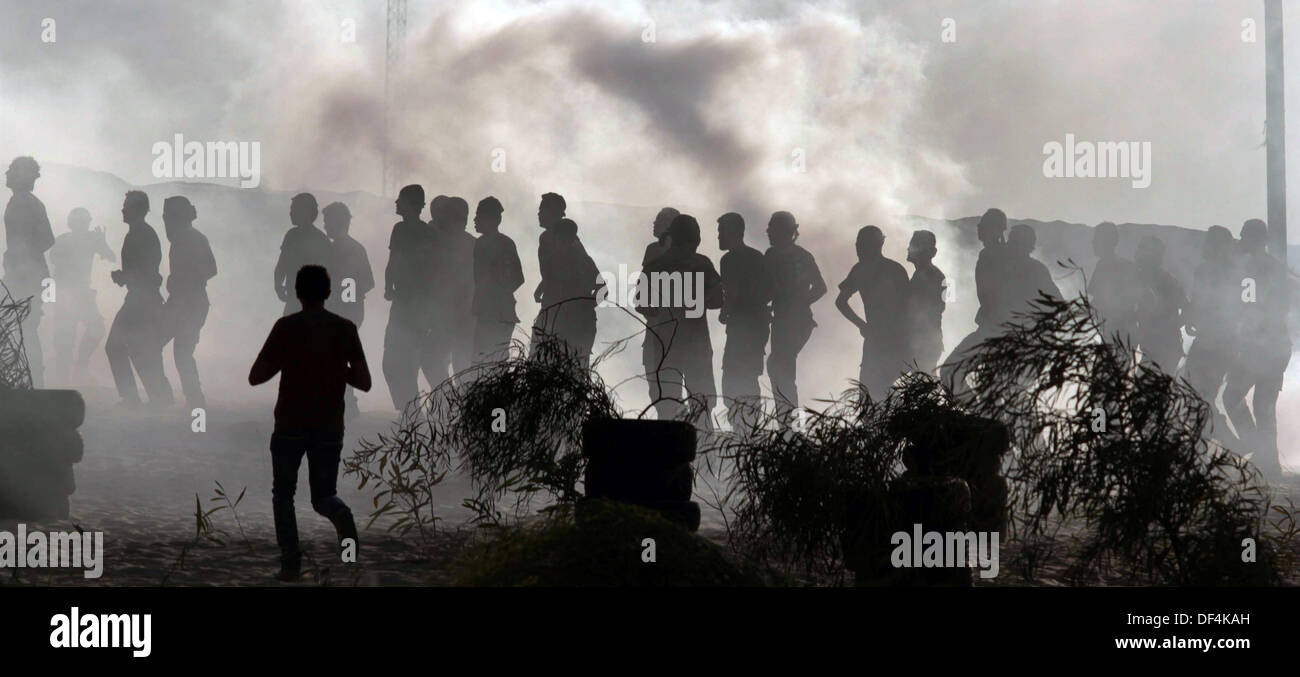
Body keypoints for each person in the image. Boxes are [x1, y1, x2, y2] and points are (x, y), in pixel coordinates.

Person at [249, 264, 368, 582]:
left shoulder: (286, 327)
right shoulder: (345, 329)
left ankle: (290, 564)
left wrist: (290, 360)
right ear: (328, 293)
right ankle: (341, 519)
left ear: (296, 292)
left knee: (283, 494)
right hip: (329, 423)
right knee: (324, 495)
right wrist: (334, 369)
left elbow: (256, 376)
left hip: (290, 421)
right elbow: (364, 381)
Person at [637, 214, 722, 428]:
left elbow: (642, 304)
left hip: (666, 344)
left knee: (667, 404)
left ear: (673, 237)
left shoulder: (655, 266)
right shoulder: (702, 264)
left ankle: (669, 455)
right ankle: (704, 455)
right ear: (695, 239)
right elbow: (717, 300)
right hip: (697, 344)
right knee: (702, 405)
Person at [1222, 219, 1291, 477]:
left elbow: (1249, 307)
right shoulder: (1271, 268)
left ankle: (1262, 454)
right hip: (1273, 346)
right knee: (1263, 405)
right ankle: (1267, 461)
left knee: (1237, 397)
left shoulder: (1251, 270)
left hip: (1263, 347)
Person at [105, 191, 174, 407]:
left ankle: (136, 398)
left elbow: (145, 272)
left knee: (120, 346)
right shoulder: (141, 233)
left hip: (140, 300)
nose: (123, 210)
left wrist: (123, 276)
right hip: (142, 298)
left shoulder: (140, 234)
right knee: (139, 348)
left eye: (126, 206)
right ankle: (157, 396)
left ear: (136, 209)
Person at [764, 211, 826, 420]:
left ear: (784, 232)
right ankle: (789, 427)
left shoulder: (800, 256)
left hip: (796, 322)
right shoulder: (773, 255)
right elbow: (769, 289)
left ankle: (793, 429)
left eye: (772, 228)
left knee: (782, 372)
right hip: (784, 321)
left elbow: (820, 288)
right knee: (778, 370)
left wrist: (797, 304)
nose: (768, 232)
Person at [835, 226, 909, 399]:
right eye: (858, 244)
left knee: (883, 392)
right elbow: (840, 302)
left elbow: (910, 307)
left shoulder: (893, 270)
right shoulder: (860, 270)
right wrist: (862, 325)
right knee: (870, 395)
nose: (858, 249)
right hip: (876, 340)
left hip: (895, 340)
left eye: (862, 244)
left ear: (877, 245)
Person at [940, 208, 1008, 393]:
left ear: (995, 229)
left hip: (995, 330)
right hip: (992, 328)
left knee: (949, 372)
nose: (979, 229)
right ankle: (984, 415)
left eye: (983, 225)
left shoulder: (999, 256)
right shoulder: (990, 255)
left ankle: (980, 413)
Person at [381, 184, 435, 411]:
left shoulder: (419, 232)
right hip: (405, 302)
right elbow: (394, 261)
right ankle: (409, 409)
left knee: (404, 360)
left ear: (412, 204)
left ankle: (410, 411)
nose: (396, 203)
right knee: (395, 361)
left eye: (400, 199)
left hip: (414, 304)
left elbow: (429, 269)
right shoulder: (402, 229)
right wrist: (388, 285)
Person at [48, 207, 116, 384]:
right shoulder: (64, 240)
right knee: (66, 338)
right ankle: (64, 379)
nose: (84, 225)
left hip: (79, 293)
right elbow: (55, 262)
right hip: (66, 293)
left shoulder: (90, 239)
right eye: (81, 222)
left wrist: (102, 242)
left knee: (94, 329)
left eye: (85, 222)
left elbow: (111, 256)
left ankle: (78, 369)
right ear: (73, 223)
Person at [161, 196, 217, 410]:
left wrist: (185, 281)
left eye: (168, 217)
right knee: (181, 351)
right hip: (185, 302)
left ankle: (177, 399)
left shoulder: (192, 238)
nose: (165, 222)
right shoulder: (185, 239)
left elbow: (210, 269)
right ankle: (193, 401)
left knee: (170, 348)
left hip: (189, 303)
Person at [3, 156, 55, 386]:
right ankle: (29, 383)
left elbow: (47, 239)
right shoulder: (19, 201)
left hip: (27, 277)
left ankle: (34, 384)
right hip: (21, 275)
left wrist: (22, 258)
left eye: (12, 170)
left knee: (25, 329)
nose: (7, 173)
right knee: (20, 329)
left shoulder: (27, 203)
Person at [1184, 225, 1238, 438]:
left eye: (1211, 242)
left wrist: (1192, 317)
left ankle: (1231, 445)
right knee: (1199, 394)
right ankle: (1218, 444)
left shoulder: (1210, 270)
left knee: (1198, 394)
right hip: (1216, 340)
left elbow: (1202, 300)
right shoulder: (1229, 271)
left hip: (1214, 340)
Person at [717, 212, 770, 430]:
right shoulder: (730, 259)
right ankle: (742, 426)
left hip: (751, 326)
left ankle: (746, 427)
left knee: (743, 375)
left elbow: (763, 290)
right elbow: (729, 292)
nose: (719, 237)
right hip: (742, 326)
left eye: (721, 232)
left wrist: (734, 305)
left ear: (735, 232)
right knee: (736, 375)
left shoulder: (748, 259)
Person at [322, 201, 372, 417]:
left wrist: (344, 301)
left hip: (343, 313)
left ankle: (347, 406)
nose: (325, 226)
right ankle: (347, 404)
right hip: (348, 312)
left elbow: (356, 282)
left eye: (327, 222)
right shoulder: (354, 247)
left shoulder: (341, 249)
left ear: (337, 222)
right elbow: (367, 282)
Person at [427, 196, 476, 382]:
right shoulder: (468, 242)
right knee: (449, 362)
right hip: (452, 313)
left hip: (459, 313)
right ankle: (450, 403)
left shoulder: (452, 243)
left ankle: (451, 403)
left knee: (456, 363)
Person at [540, 218, 600, 366]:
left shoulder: (584, 261)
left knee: (576, 367)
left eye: (564, 238)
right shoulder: (552, 261)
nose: (561, 242)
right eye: (559, 238)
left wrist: (585, 306)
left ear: (572, 238)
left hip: (579, 325)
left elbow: (603, 289)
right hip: (555, 324)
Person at [472, 196, 525, 363]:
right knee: (482, 359)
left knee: (495, 360)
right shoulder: (480, 244)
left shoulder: (505, 244)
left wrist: (498, 295)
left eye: (479, 215)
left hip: (500, 313)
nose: (475, 220)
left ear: (491, 219)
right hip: (486, 310)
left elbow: (518, 277)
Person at [641, 207, 679, 419]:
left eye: (659, 221)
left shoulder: (656, 251)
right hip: (658, 320)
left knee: (662, 378)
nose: (654, 224)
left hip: (663, 322)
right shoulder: (654, 250)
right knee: (659, 378)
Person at [1132, 235, 1186, 375]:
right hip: (1153, 348)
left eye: (1143, 252)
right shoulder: (1140, 280)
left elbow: (1188, 310)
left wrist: (1166, 328)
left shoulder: (1167, 281)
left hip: (1164, 350)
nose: (1137, 255)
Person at [273, 193, 334, 316]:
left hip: (312, 303)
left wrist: (279, 285)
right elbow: (282, 265)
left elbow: (329, 273)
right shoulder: (292, 236)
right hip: (294, 300)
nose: (290, 213)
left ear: (305, 212)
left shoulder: (320, 240)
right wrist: (278, 285)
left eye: (294, 209)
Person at [904, 230, 946, 376]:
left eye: (914, 244)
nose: (909, 248)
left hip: (923, 343)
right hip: (926, 342)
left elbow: (931, 310)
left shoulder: (929, 275)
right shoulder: (929, 274)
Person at [1088, 221, 1137, 342]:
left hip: (1118, 333)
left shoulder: (1109, 266)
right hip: (1116, 332)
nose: (1093, 242)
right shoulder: (1107, 264)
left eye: (1096, 239)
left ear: (1106, 242)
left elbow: (1102, 300)